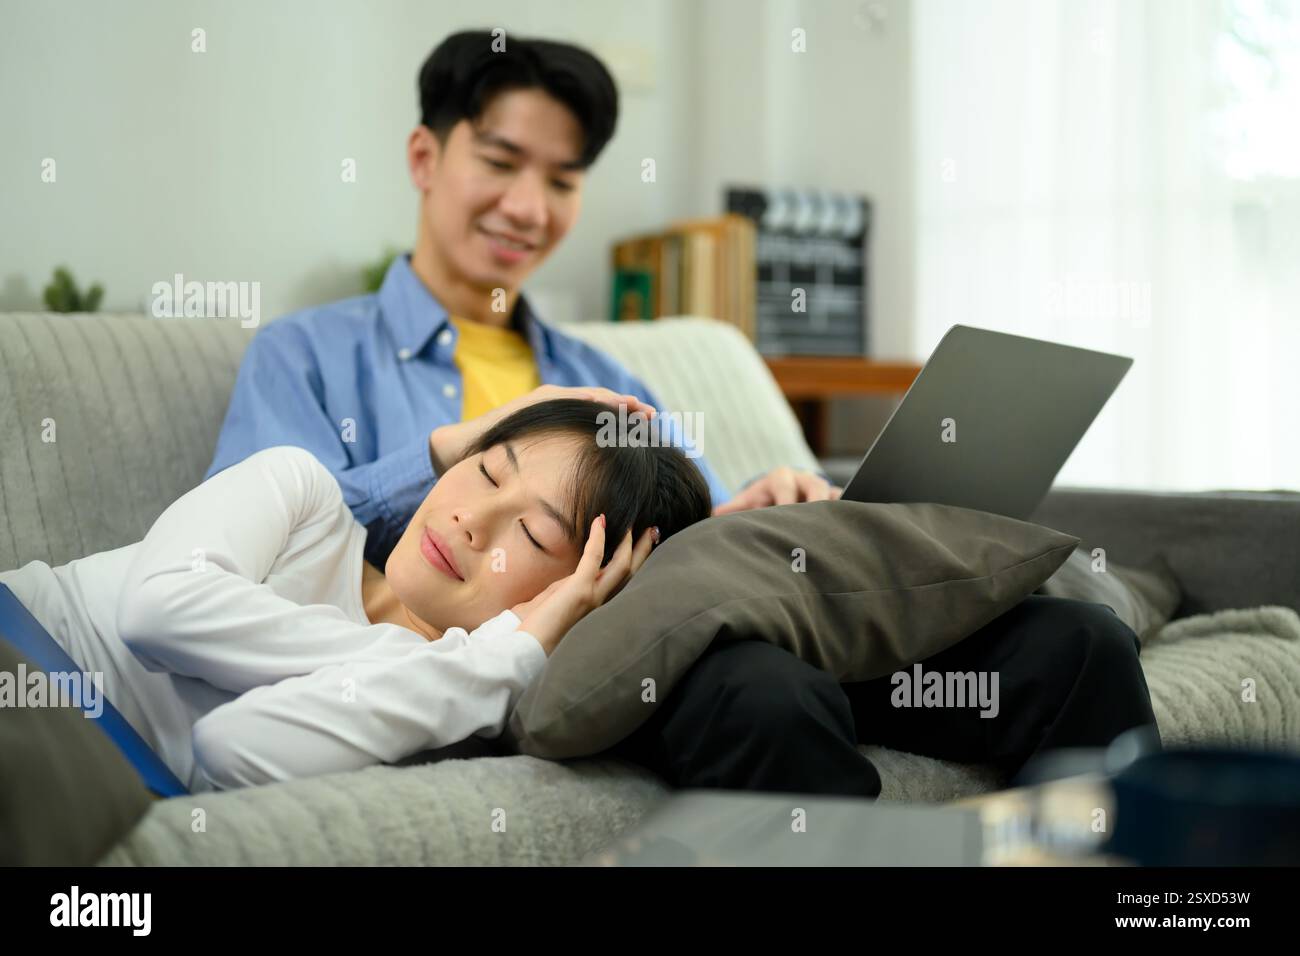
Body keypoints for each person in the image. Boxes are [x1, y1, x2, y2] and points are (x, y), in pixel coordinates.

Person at [207, 30, 1159, 797]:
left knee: (1077, 649)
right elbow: (256, 545)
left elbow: (676, 540)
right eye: (501, 161)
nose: (528, 206)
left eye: (564, 180)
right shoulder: (310, 352)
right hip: (552, 663)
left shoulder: (599, 370)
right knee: (766, 702)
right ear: (425, 155)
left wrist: (747, 517)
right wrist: (461, 448)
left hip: (678, 619)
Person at [0, 399, 712, 792]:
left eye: (530, 532)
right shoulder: (303, 494)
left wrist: (504, 658)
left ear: (578, 598)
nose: (470, 517)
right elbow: (158, 610)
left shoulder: (451, 700)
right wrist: (417, 654)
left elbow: (227, 749)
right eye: (490, 471)